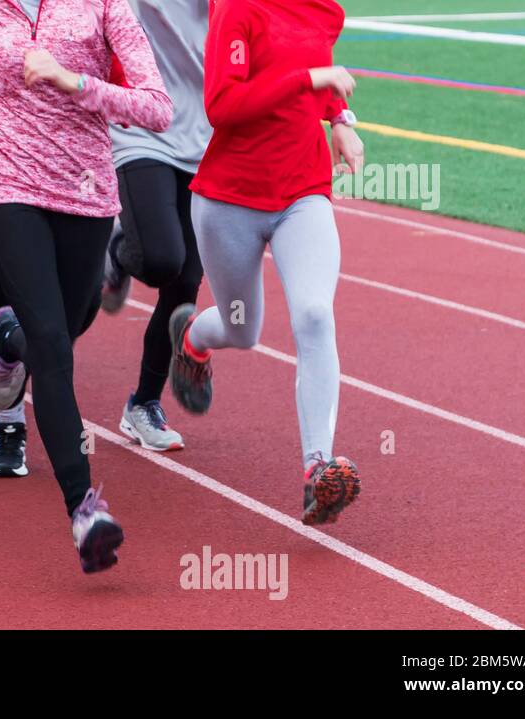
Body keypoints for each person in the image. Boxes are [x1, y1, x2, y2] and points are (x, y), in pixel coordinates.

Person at [0, 0, 173, 572]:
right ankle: (85, 508)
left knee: (69, 323)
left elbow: (157, 109)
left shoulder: (105, 5)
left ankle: (7, 347)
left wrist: (76, 81)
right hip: (7, 185)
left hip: (86, 192)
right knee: (54, 348)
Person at [169, 0, 364, 525]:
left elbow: (318, 82)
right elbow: (222, 105)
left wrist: (339, 118)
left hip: (303, 191)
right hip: (228, 199)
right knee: (241, 328)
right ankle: (192, 339)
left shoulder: (325, 10)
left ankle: (317, 471)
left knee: (315, 315)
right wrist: (308, 79)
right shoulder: (237, 9)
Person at [99, 0, 210, 453]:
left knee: (186, 282)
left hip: (205, 133)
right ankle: (120, 248)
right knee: (163, 259)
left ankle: (143, 403)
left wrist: (337, 114)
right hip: (141, 125)